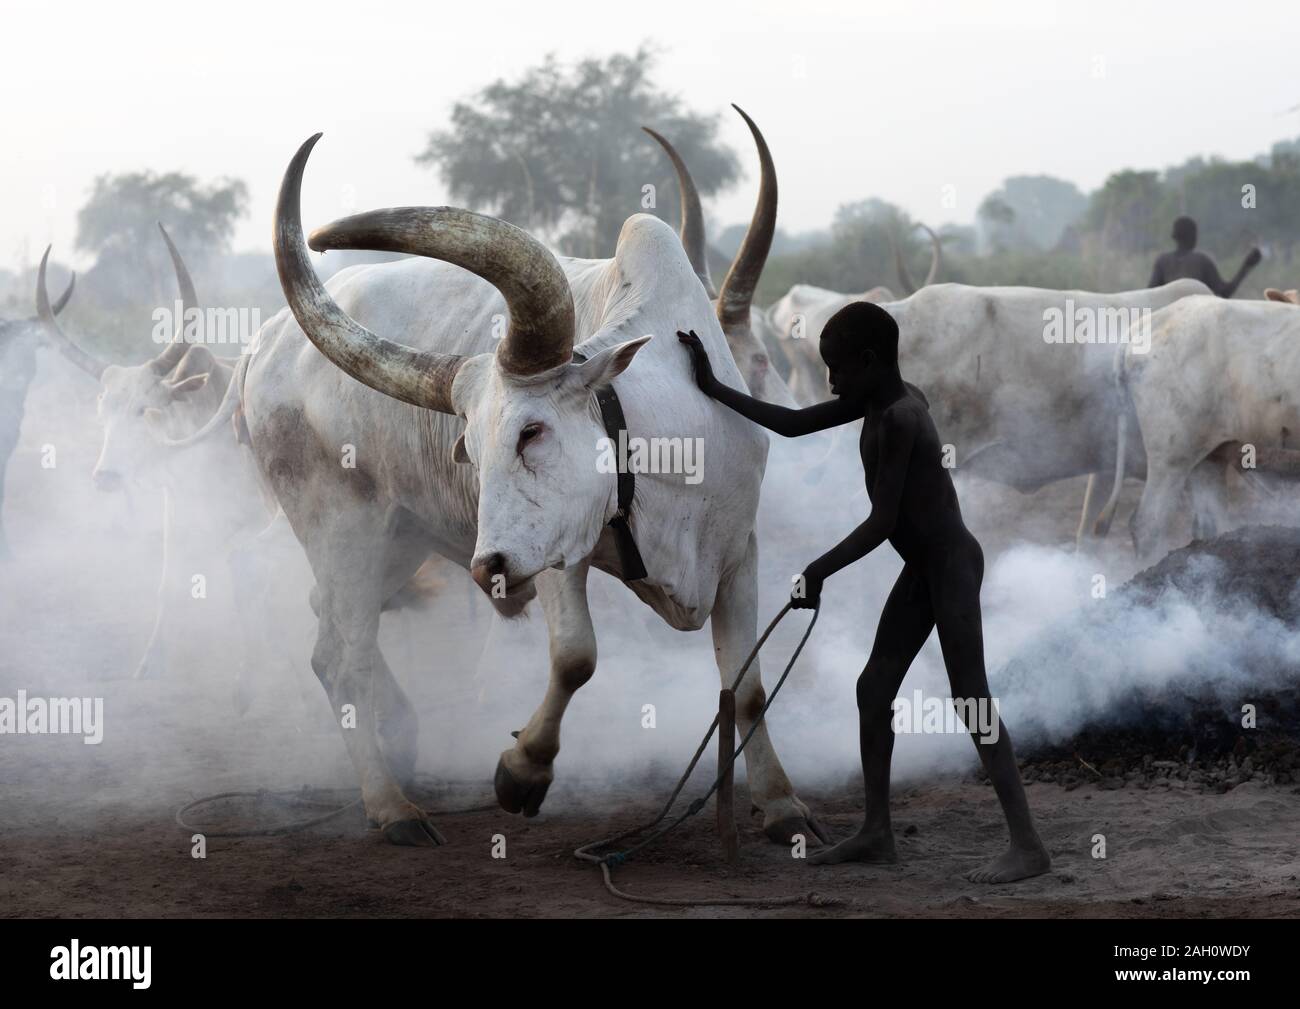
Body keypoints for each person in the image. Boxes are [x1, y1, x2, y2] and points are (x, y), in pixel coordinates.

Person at [677, 303, 1050, 883]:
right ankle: (878, 833)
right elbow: (793, 424)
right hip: (925, 569)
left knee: (971, 700)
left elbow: (882, 522)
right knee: (873, 689)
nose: (831, 382)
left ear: (870, 362)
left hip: (949, 567)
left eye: (838, 369)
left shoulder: (902, 416)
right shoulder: (872, 399)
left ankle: (1028, 846)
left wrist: (818, 570)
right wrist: (710, 385)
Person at [1148, 216, 1261, 297]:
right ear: (1193, 236)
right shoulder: (1201, 261)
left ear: (1174, 237)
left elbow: (1150, 295)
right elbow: (1225, 292)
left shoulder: (1162, 262)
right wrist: (1246, 266)